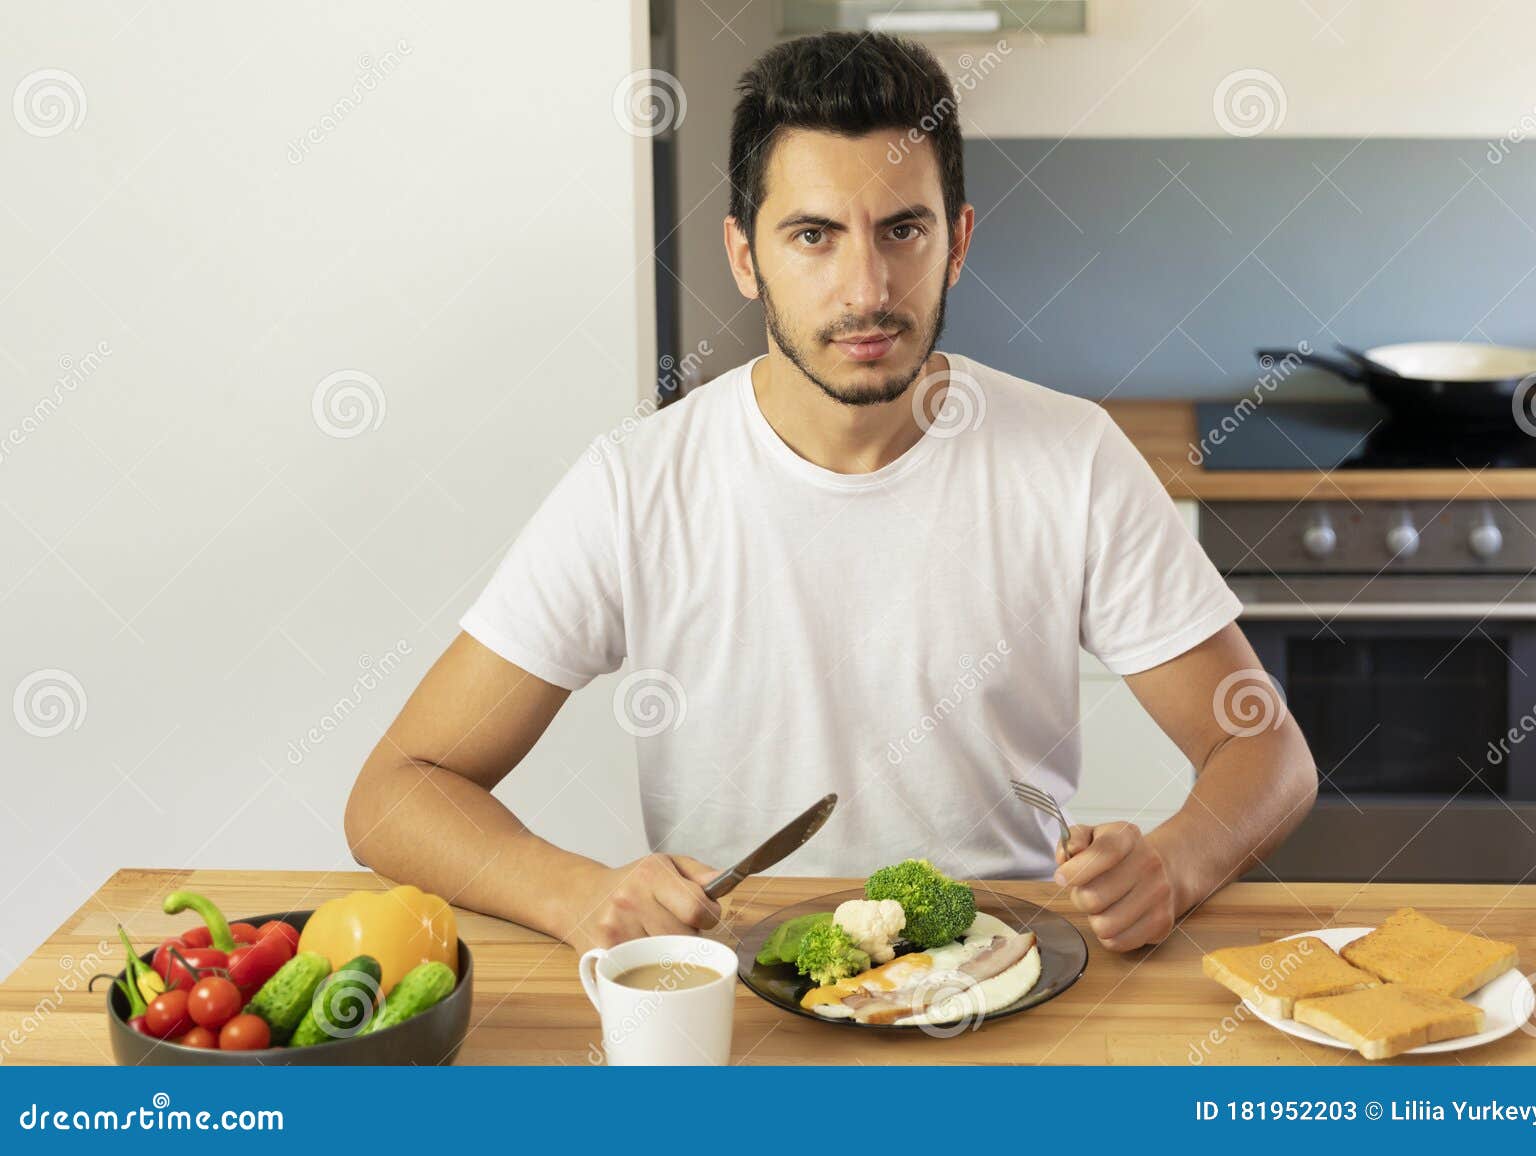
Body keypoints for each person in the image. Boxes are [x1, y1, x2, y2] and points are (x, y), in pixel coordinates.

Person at [344, 31, 1317, 957]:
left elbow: (1266, 752)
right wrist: (578, 894)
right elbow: (395, 792)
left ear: (958, 241)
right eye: (813, 234)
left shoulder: (1070, 458)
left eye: (903, 229)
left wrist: (1175, 865)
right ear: (743, 255)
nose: (866, 287)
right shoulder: (634, 486)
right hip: (739, 991)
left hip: (1009, 976)